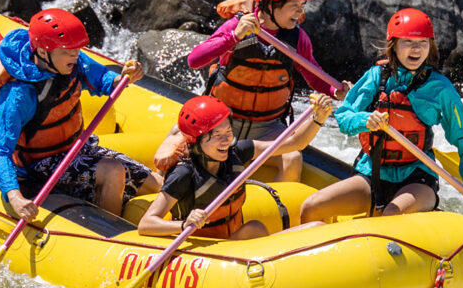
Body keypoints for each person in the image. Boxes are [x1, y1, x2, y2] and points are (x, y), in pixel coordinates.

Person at [299, 8, 463, 223]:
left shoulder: (441, 88)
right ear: (394, 45)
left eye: (423, 42)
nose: (416, 48)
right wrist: (365, 120)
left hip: (417, 177)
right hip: (372, 172)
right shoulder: (376, 77)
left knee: (391, 214)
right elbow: (344, 117)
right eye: (408, 41)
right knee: (311, 206)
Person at [154, 0, 338, 183]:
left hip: (267, 126)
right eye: (295, 5)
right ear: (270, 4)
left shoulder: (297, 39)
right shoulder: (236, 27)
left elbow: (314, 76)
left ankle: (274, 209)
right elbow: (195, 60)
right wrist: (233, 37)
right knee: (176, 145)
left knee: (292, 159)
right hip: (222, 120)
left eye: (302, 5)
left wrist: (336, 90)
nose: (301, 13)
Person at [0, 8, 162, 220]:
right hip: (39, 167)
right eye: (67, 51)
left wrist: (123, 78)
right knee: (113, 172)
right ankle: (107, 234)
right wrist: (14, 196)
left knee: (156, 184)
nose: (75, 55)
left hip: (76, 150)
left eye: (77, 49)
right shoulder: (20, 95)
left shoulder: (70, 61)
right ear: (43, 52)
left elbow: (101, 79)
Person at [138, 93, 334, 240]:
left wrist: (318, 119)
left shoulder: (237, 151)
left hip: (233, 241)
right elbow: (146, 224)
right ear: (196, 140)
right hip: (202, 252)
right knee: (254, 229)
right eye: (217, 135)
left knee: (268, 228)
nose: (226, 140)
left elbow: (294, 144)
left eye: (228, 131)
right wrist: (184, 225)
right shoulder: (184, 174)